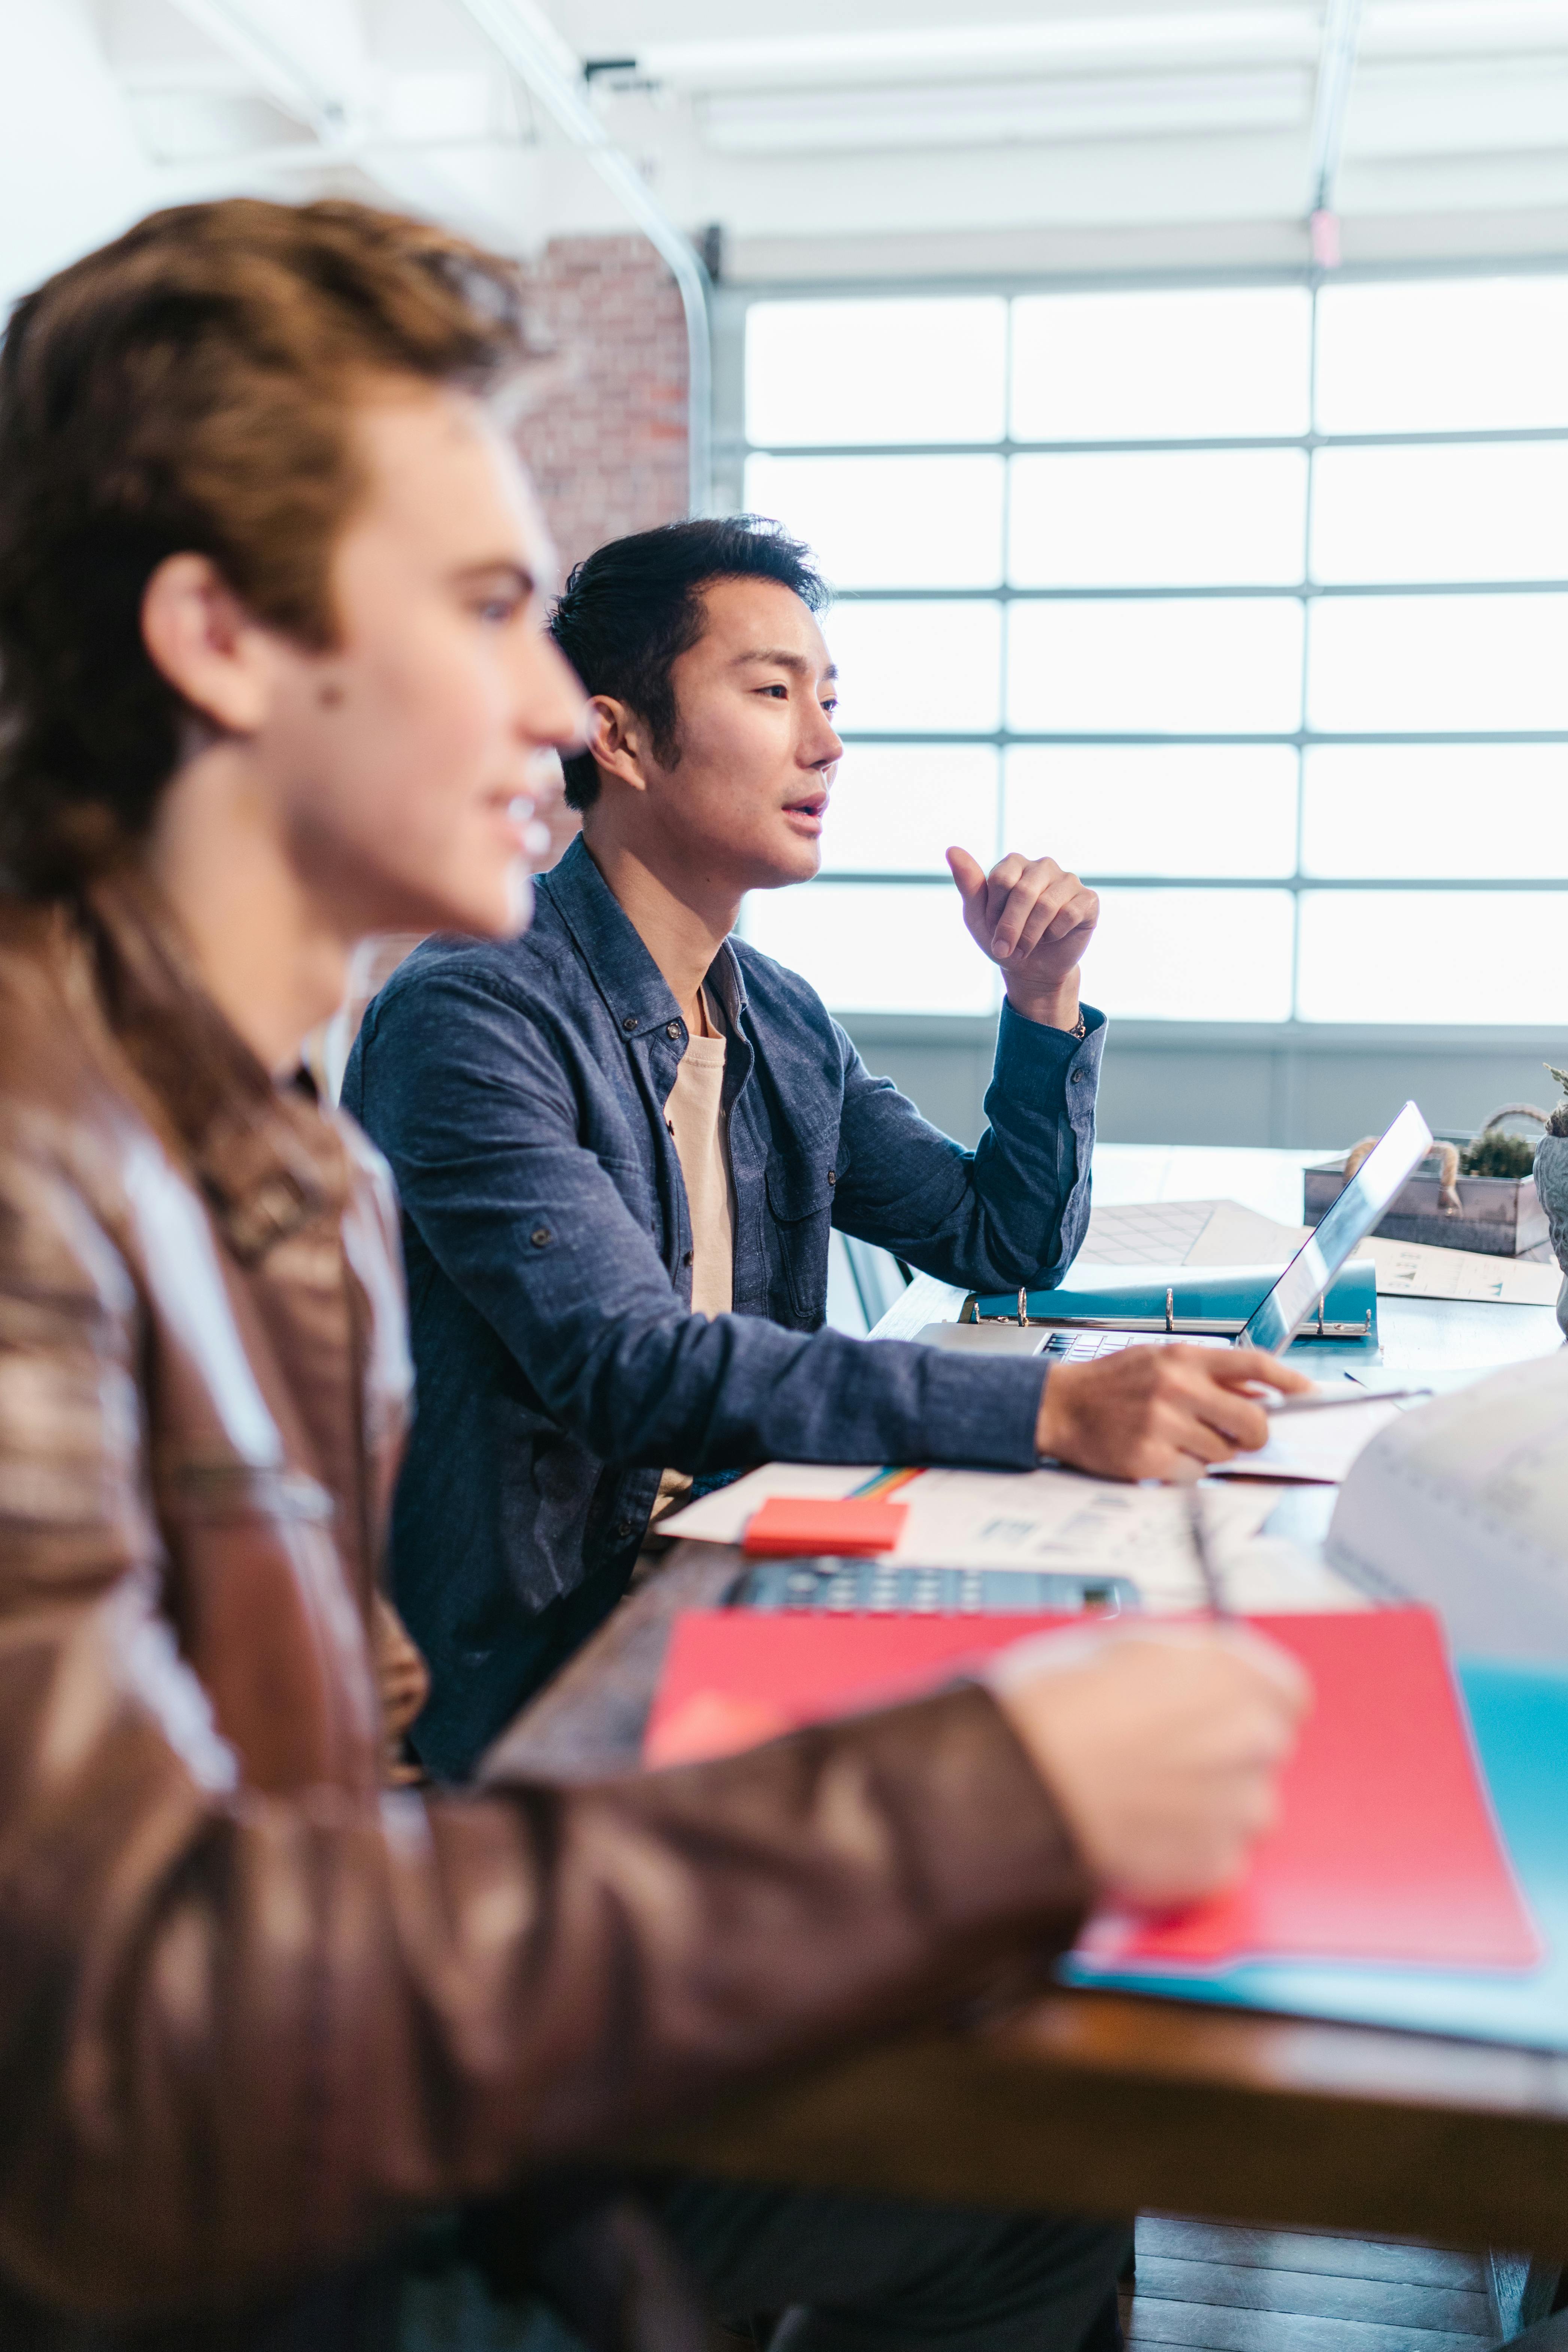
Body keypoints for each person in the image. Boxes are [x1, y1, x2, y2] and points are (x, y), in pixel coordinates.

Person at [0, 194, 1308, 2350]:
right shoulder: (104, 1147)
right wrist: (981, 1793)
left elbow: (996, 1236)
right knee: (1020, 2119)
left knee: (1034, 2165)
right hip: (250, 2183)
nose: (549, 698)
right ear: (220, 636)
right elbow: (150, 2015)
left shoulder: (258, 1139)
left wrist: (1041, 1015)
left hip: (377, 2001)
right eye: (487, 606)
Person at [345, 516, 1308, 1781]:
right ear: (615, 737)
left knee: (1155, 1693)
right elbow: (631, 1366)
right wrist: (1054, 1406)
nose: (826, 742)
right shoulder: (472, 1013)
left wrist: (1040, 999)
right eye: (771, 692)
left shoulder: (779, 1017)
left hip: (747, 1565)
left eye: (830, 698)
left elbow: (1000, 1238)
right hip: (550, 1665)